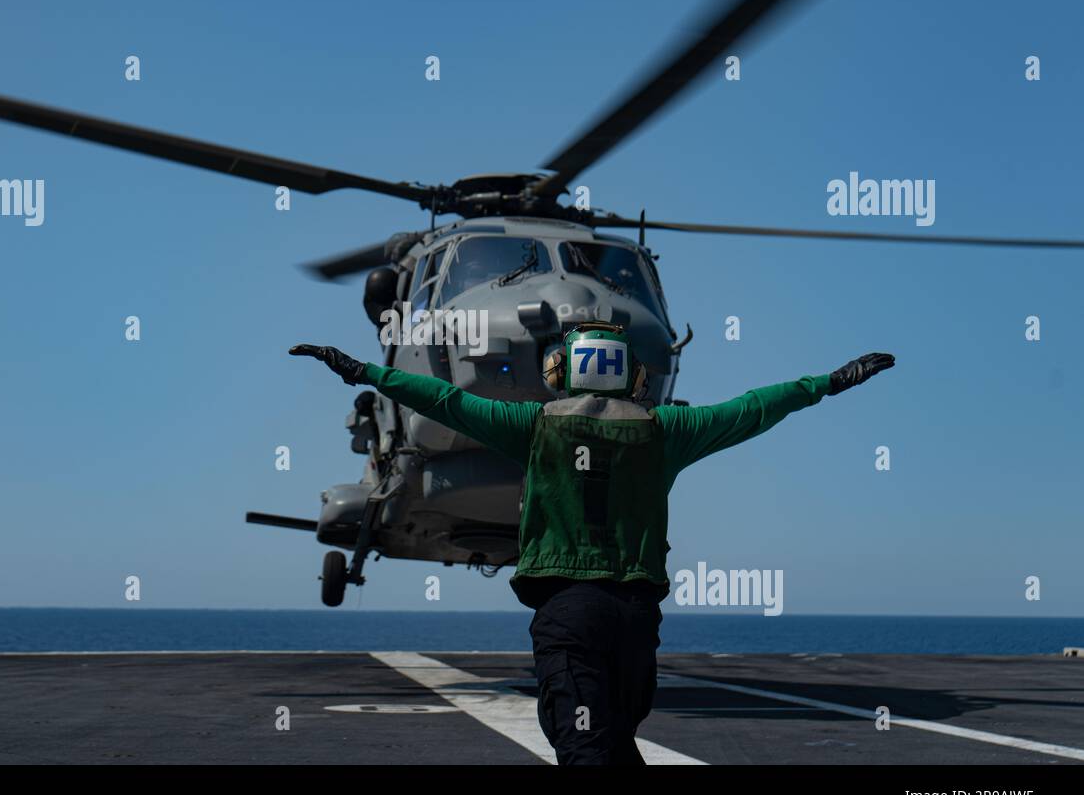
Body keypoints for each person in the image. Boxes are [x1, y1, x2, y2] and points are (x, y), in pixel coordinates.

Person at [290, 325, 894, 765]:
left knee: (584, 747)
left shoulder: (532, 426)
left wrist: (362, 371)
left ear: (561, 373)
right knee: (615, 743)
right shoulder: (667, 430)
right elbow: (754, 408)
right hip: (636, 619)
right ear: (635, 375)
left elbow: (443, 401)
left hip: (569, 612)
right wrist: (830, 382)